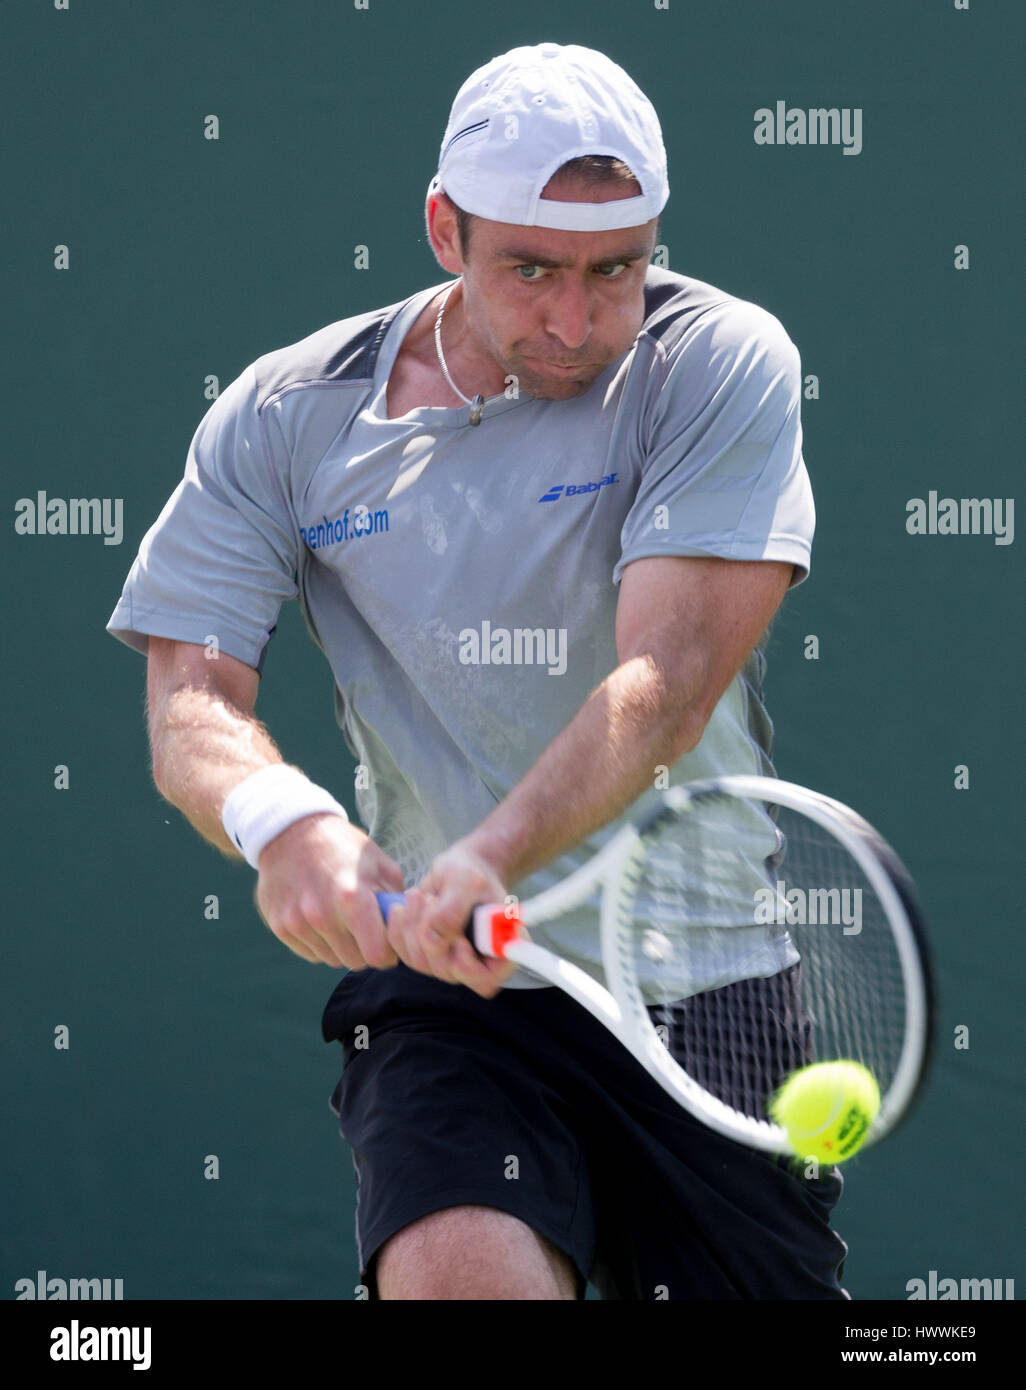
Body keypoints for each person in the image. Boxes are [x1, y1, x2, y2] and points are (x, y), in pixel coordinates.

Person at [107, 42, 848, 1300]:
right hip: (459, 1000)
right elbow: (193, 698)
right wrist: (284, 824)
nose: (577, 317)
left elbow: (662, 683)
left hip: (707, 984)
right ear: (445, 230)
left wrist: (488, 854)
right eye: (533, 270)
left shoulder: (721, 362)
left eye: (618, 269)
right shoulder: (288, 416)